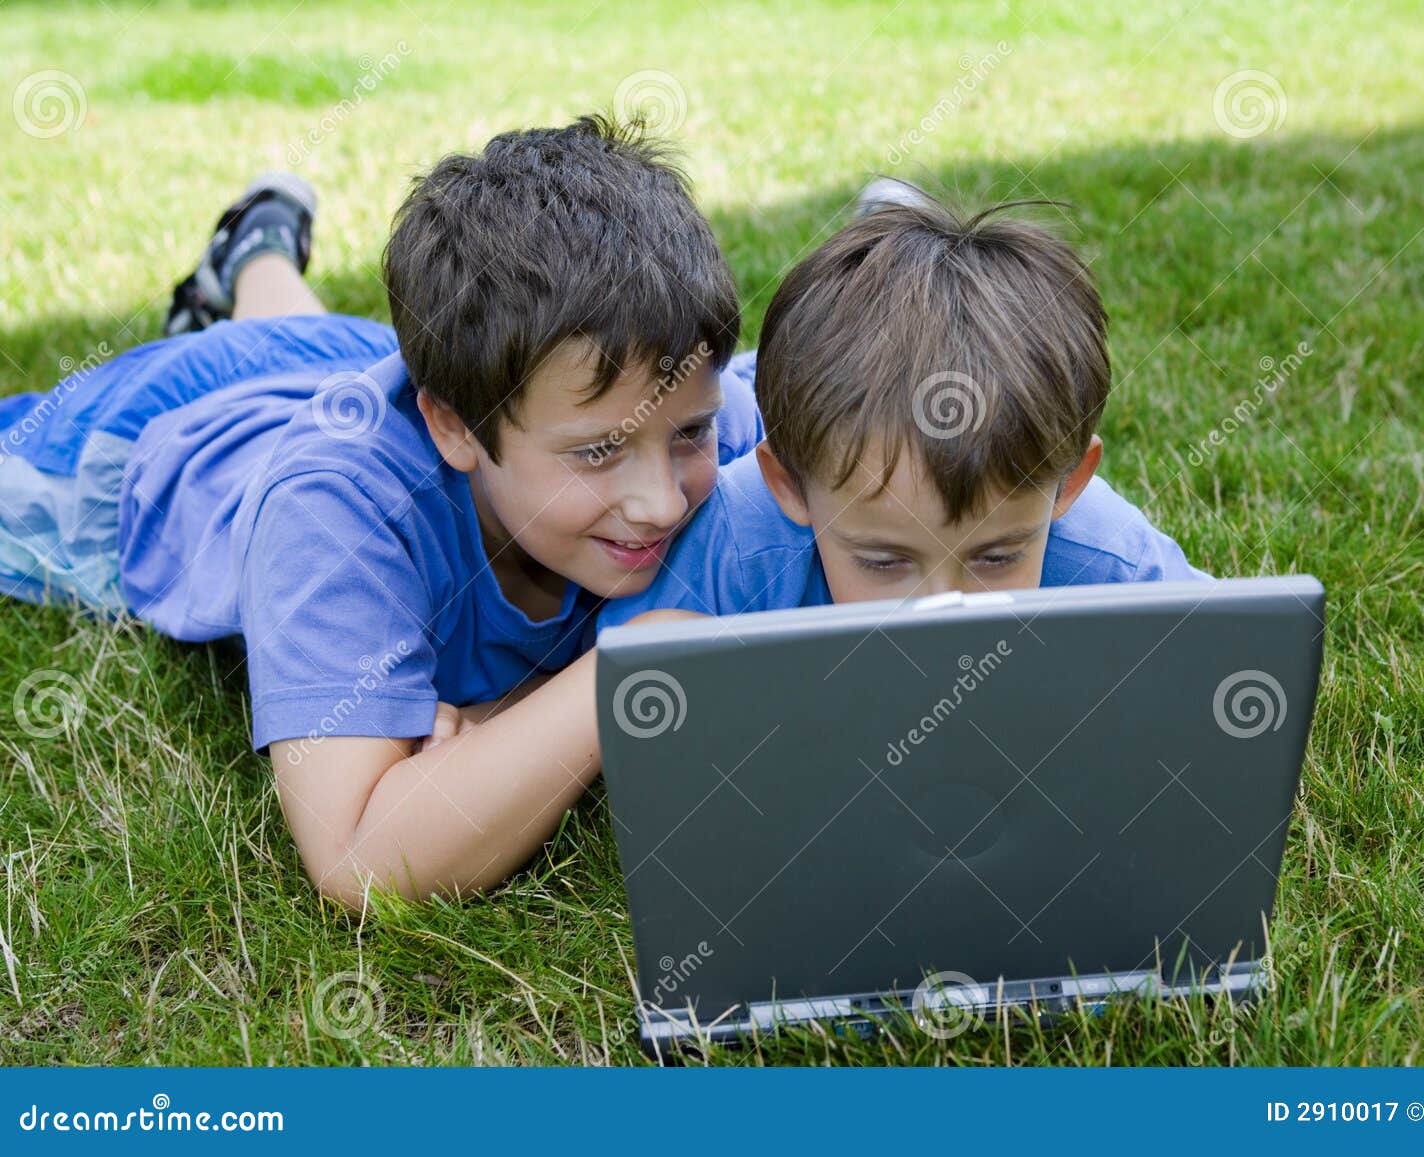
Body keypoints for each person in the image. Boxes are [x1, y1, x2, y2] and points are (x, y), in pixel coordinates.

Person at [0, 116, 758, 904]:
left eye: (691, 433)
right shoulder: (331, 512)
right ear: (454, 427)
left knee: (306, 337)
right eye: (598, 452)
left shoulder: (649, 399)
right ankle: (243, 271)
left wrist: (500, 719)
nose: (662, 500)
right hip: (169, 436)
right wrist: (622, 670)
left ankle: (254, 250)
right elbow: (361, 858)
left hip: (337, 363)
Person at [599, 185, 1207, 631]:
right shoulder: (733, 546)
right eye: (884, 562)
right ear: (788, 486)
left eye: (996, 557)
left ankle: (893, 226)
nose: (940, 613)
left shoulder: (1106, 554)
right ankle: (887, 229)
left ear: (1069, 483)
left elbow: (1229, 652)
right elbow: (627, 684)